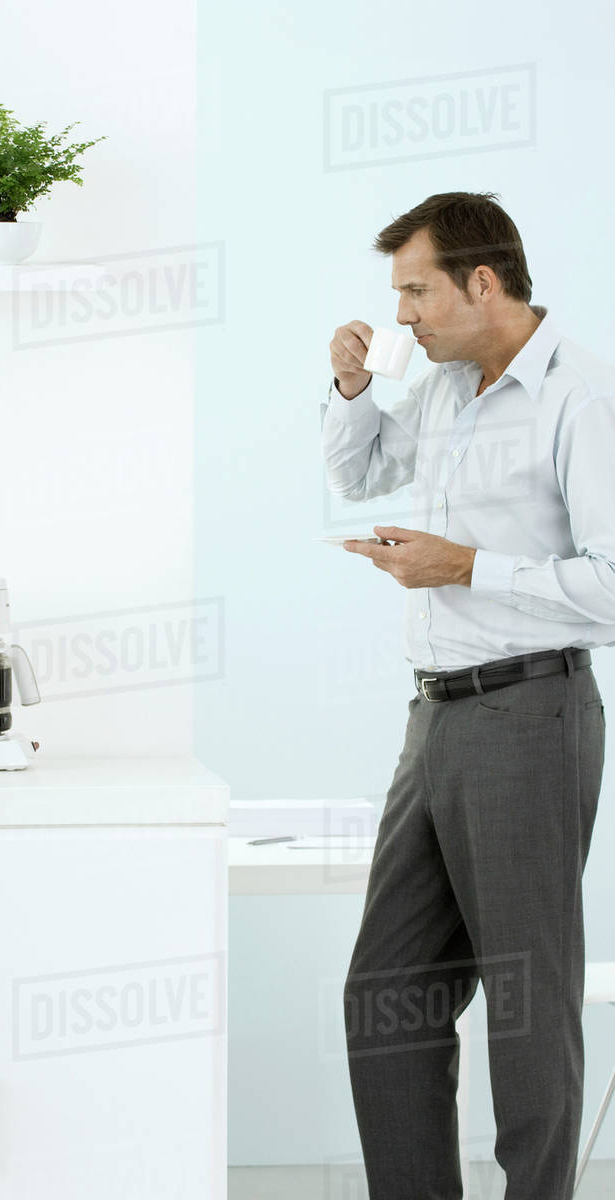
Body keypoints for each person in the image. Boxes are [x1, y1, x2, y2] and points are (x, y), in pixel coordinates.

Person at [323, 191, 611, 1200]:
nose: (403, 313)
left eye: (416, 290)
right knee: (387, 993)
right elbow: (360, 477)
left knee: (528, 1012)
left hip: (532, 714)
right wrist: (354, 388)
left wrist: (465, 567)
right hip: (436, 716)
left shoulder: (582, 396)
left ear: (481, 282)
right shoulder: (446, 386)